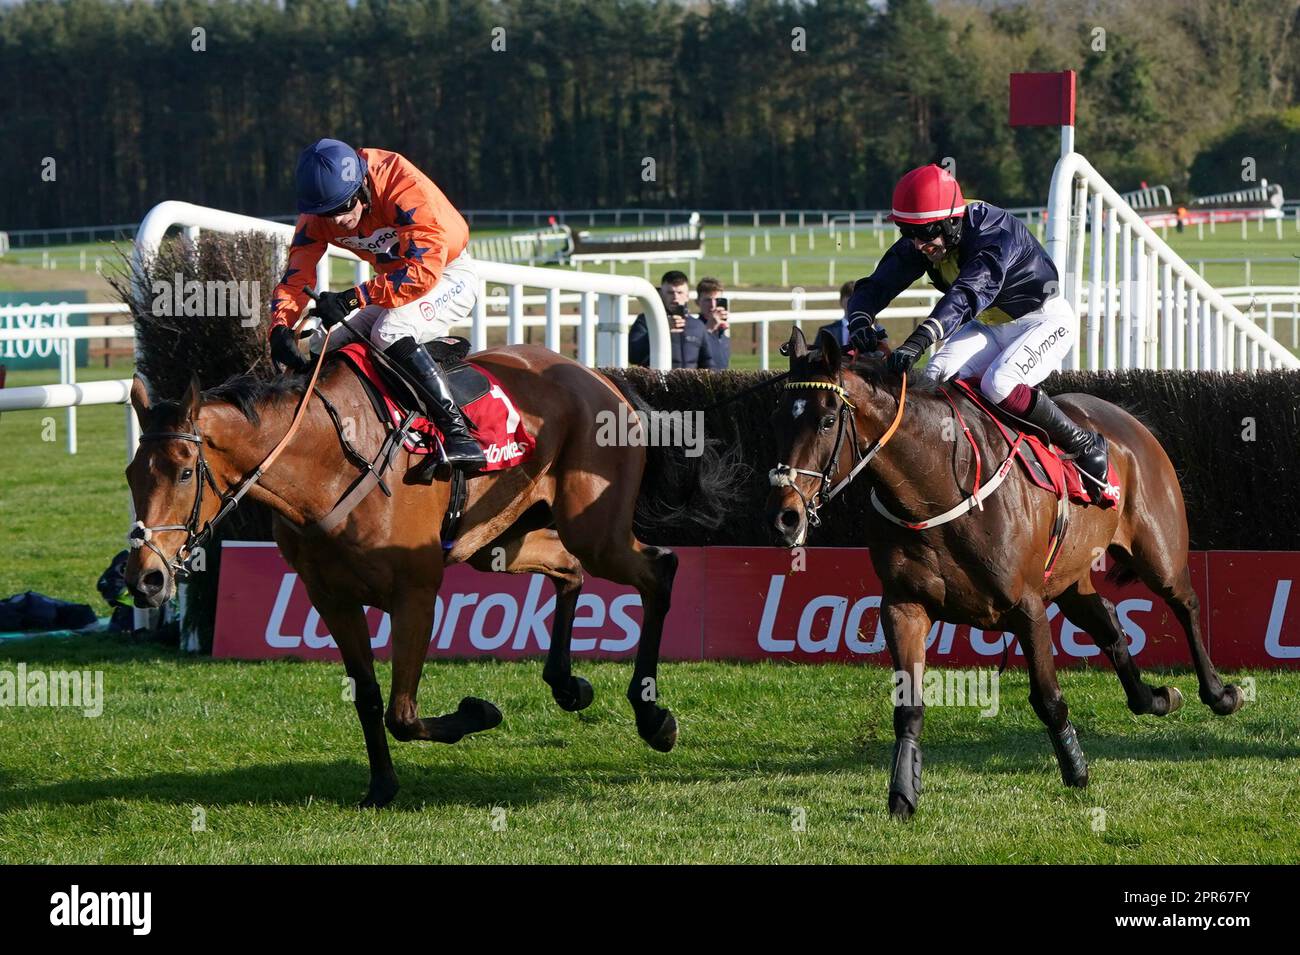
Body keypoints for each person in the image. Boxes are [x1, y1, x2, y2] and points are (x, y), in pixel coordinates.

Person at [845, 163, 1109, 498]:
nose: (916, 244)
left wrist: (919, 340)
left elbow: (967, 294)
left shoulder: (994, 234)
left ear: (951, 222)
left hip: (1043, 322)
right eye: (907, 232)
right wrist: (859, 320)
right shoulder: (927, 235)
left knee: (999, 383)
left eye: (923, 233)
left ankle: (1084, 444)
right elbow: (874, 287)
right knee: (936, 377)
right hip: (989, 325)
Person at [267, 138, 484, 470]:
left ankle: (460, 436)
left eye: (342, 207)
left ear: (362, 187)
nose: (336, 221)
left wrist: (353, 297)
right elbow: (296, 277)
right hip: (395, 286)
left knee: (390, 330)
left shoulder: (402, 186)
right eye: (326, 213)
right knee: (321, 345)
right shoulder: (316, 216)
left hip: (447, 275)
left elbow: (422, 273)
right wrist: (280, 327)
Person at [628, 270, 718, 369]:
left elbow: (707, 362)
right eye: (670, 293)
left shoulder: (697, 325)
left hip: (688, 384)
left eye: (679, 292)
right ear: (661, 294)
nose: (675, 297)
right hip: (657, 383)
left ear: (687, 295)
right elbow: (633, 356)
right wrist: (662, 329)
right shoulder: (646, 320)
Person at [818, 279, 889, 348]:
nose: (853, 300)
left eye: (856, 297)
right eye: (849, 295)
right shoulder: (826, 332)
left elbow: (883, 356)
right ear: (841, 301)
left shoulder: (878, 331)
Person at [696, 276, 731, 369]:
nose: (713, 305)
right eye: (708, 300)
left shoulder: (723, 329)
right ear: (697, 302)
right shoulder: (692, 328)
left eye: (717, 300)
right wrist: (709, 329)